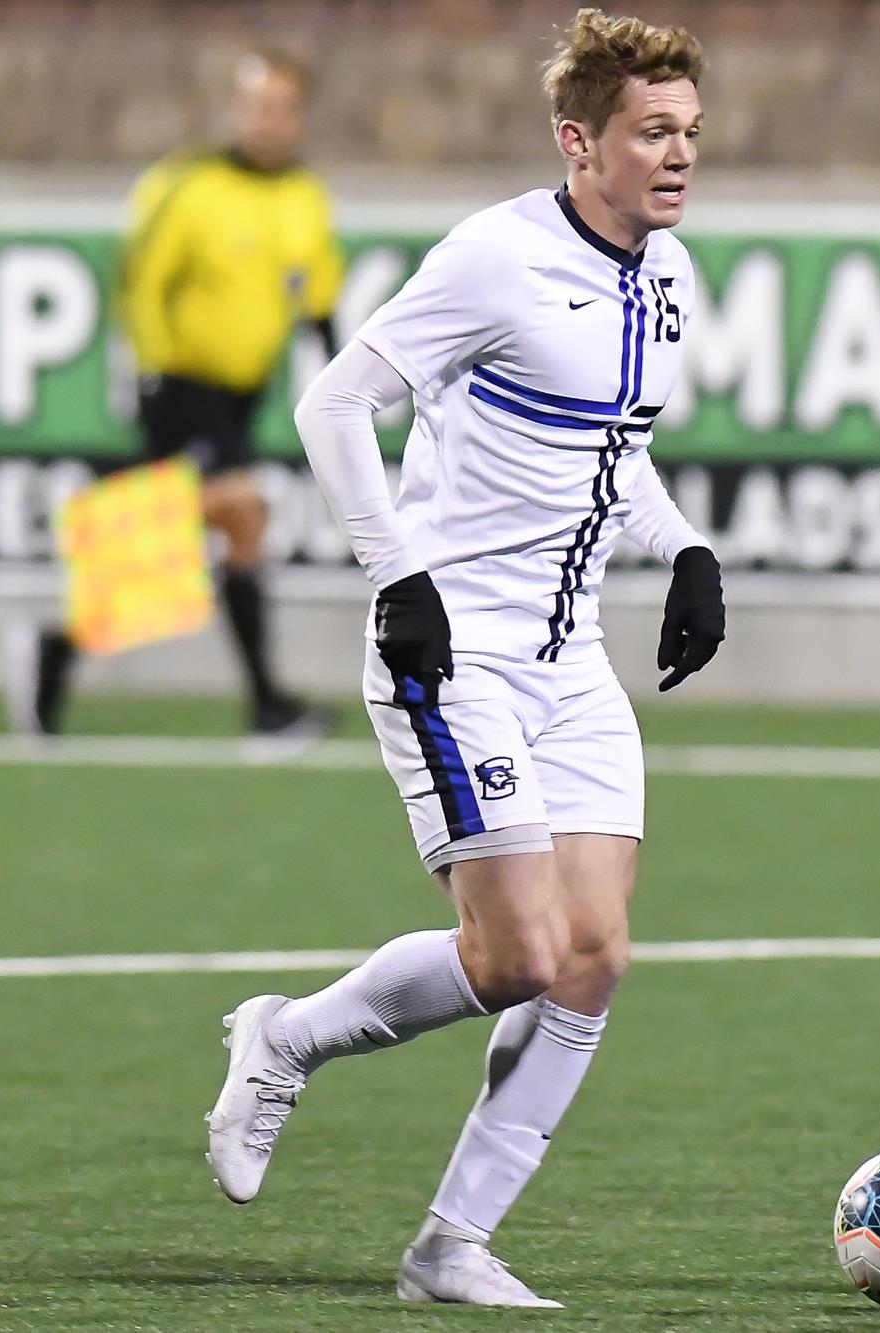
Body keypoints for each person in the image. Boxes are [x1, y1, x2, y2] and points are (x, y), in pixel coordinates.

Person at [202, 8, 724, 1310]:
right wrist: (398, 577)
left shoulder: (667, 276)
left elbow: (613, 447)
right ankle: (283, 1037)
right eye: (651, 132)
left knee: (594, 954)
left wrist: (684, 548)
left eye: (690, 131)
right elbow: (336, 402)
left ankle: (451, 1247)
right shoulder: (496, 257)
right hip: (451, 655)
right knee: (517, 956)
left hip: (570, 663)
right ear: (578, 142)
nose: (678, 155)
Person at [9, 47, 339, 738]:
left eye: (282, 108)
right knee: (241, 508)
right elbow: (141, 279)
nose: (269, 120)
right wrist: (152, 371)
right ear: (236, 109)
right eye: (258, 105)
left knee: (214, 529)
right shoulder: (188, 186)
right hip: (182, 384)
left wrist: (343, 379)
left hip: (243, 394)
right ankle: (267, 704)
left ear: (299, 117)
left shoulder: (304, 197)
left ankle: (58, 647)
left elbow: (318, 295)